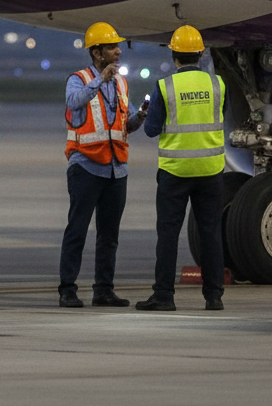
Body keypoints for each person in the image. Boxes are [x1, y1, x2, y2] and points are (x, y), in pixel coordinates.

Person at [135, 25, 226, 312]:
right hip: (211, 169)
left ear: (174, 54)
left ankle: (164, 296)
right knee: (210, 233)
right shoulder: (218, 84)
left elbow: (150, 130)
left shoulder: (164, 87)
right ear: (200, 54)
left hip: (175, 171)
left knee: (168, 235)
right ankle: (214, 297)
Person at [58, 22, 148, 308]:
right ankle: (67, 289)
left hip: (115, 167)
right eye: (112, 47)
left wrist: (142, 116)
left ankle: (104, 290)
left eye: (117, 46)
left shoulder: (121, 82)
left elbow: (125, 123)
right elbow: (74, 102)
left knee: (109, 236)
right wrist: (99, 80)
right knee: (78, 230)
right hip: (86, 166)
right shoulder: (79, 79)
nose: (118, 51)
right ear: (97, 53)